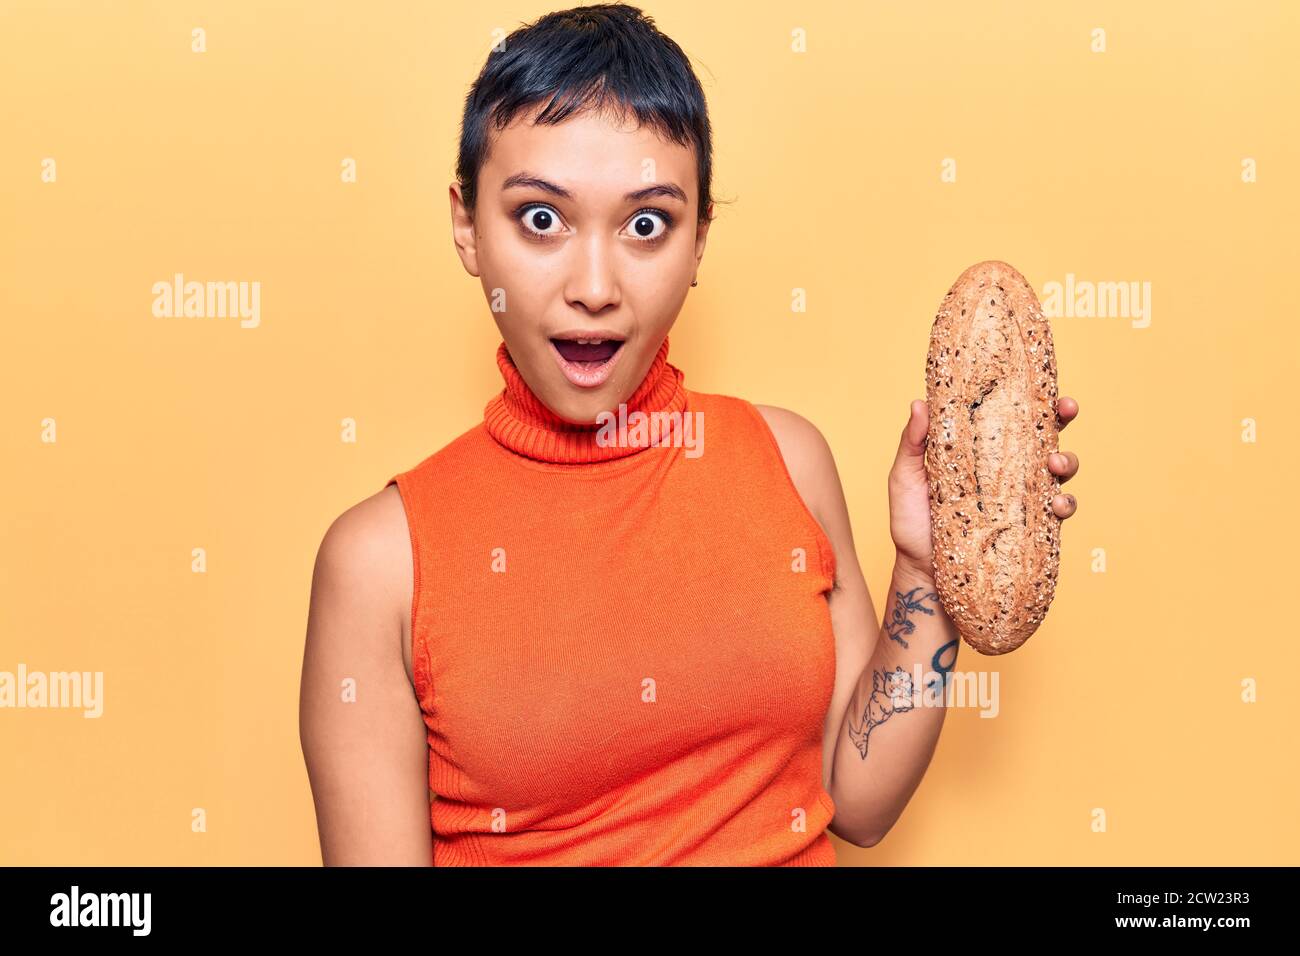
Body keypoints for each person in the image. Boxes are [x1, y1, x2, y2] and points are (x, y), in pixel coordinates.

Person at [298, 2, 1081, 866]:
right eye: (541, 218)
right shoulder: (380, 563)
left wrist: (929, 571)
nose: (594, 286)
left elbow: (856, 801)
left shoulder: (787, 461)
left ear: (699, 237)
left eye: (646, 225)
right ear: (466, 226)